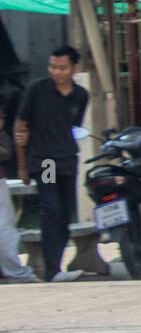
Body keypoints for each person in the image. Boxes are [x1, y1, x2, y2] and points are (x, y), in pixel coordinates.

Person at [14, 46, 90, 282]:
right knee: (51, 209)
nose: (56, 72)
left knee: (66, 213)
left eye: (62, 67)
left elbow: (74, 127)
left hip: (68, 159)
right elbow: (21, 125)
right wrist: (23, 167)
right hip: (45, 160)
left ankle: (57, 267)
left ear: (74, 68)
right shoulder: (37, 89)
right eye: (53, 67)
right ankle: (51, 270)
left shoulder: (81, 95)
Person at [0, 106, 37, 283]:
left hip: (51, 163)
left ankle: (51, 269)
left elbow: (9, 149)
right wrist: (23, 169)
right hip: (47, 163)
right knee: (51, 202)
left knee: (52, 199)